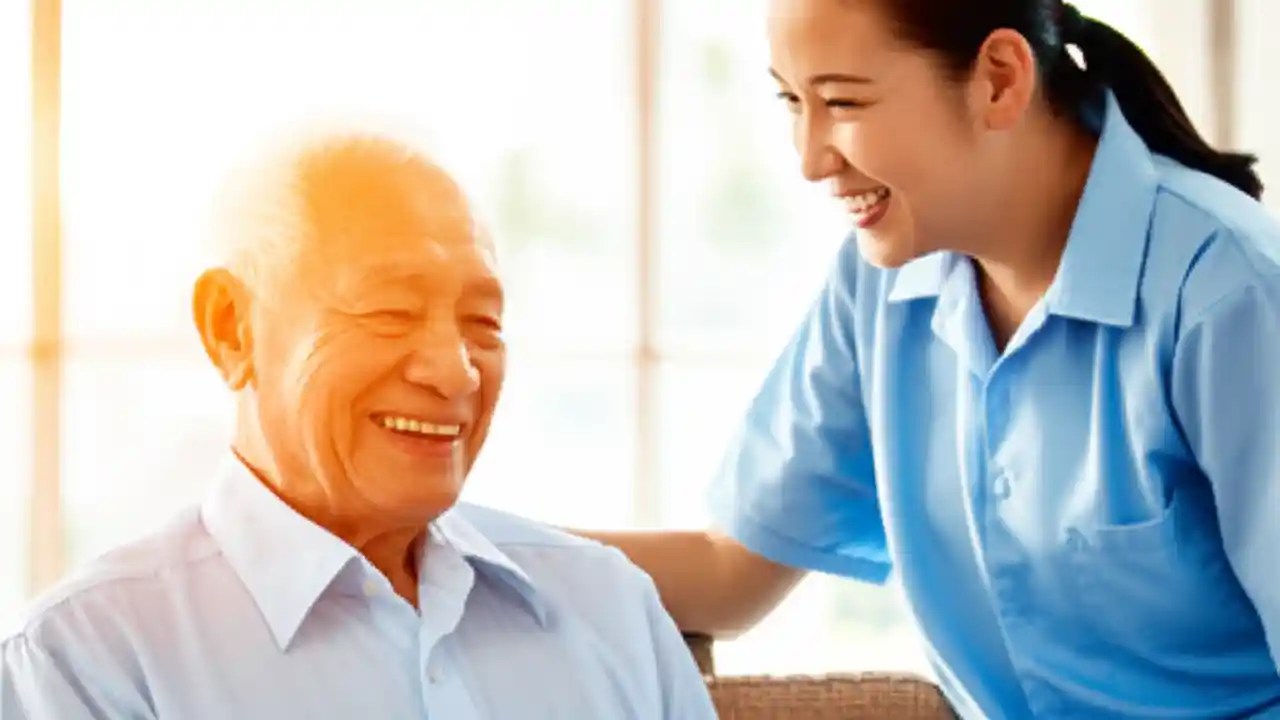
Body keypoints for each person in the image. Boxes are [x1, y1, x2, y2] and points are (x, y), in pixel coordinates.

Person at [583, 1, 1280, 717]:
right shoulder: (879, 285)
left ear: (1000, 80)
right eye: (792, 101)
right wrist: (472, 543)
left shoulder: (1230, 294)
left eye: (842, 102)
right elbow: (729, 572)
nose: (810, 158)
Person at [0, 133, 715, 719]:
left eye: (482, 323)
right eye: (390, 313)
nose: (456, 371)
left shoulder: (611, 607)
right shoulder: (84, 658)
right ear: (232, 330)